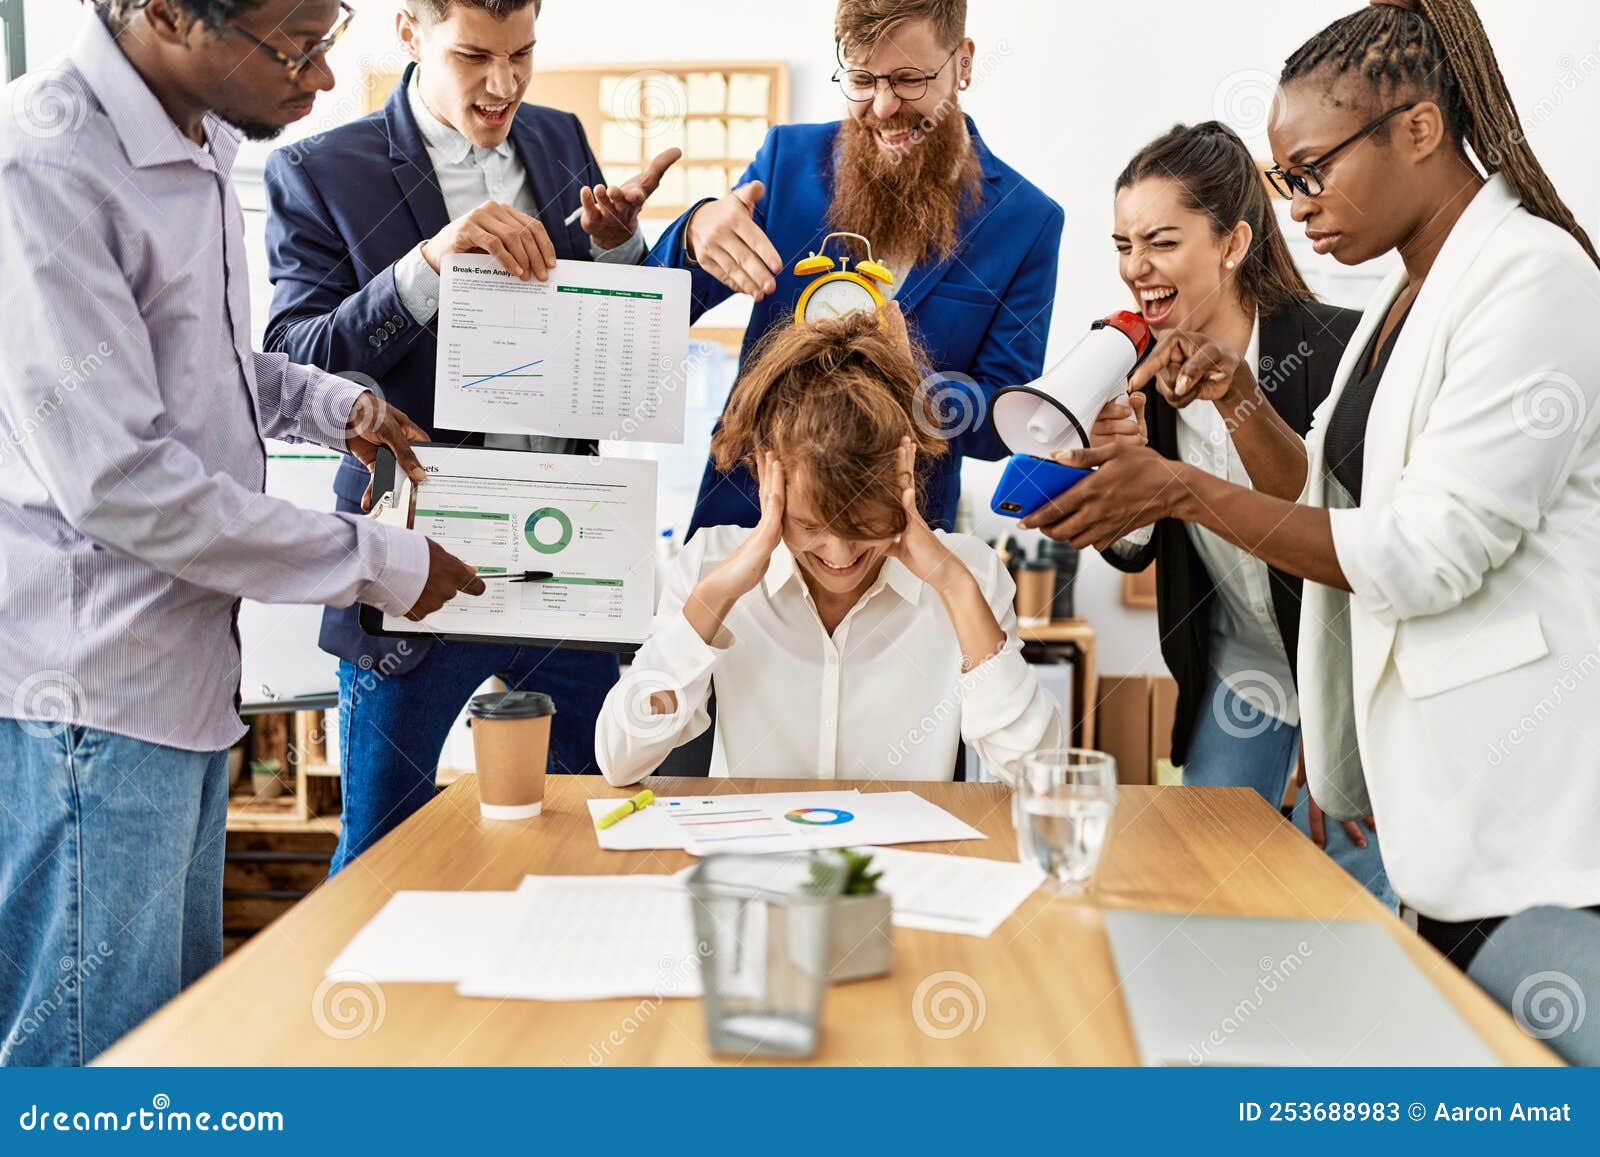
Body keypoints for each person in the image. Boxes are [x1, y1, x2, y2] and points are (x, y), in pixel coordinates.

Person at [1028, 0, 1600, 969]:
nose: (1294, 205)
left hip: (1521, 809)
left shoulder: (1533, 279)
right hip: (1425, 792)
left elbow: (1421, 555)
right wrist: (1241, 402)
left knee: (1534, 1081)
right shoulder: (1403, 296)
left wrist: (1180, 489)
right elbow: (1326, 508)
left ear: (1419, 128)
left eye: (1309, 173)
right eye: (1282, 181)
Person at [0, 0, 481, 1066]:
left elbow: (195, 366)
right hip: (92, 693)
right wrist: (378, 563)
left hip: (182, 685)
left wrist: (327, 402)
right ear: (167, 14)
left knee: (163, 1041)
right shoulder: (42, 167)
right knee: (86, 1060)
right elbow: (122, 479)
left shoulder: (200, 132)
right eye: (296, 47)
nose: (319, 81)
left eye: (329, 35)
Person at [263, 0, 678, 874]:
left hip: (571, 555)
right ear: (409, 34)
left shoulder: (561, 141)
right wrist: (425, 266)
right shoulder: (318, 168)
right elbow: (296, 359)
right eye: (474, 56)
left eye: (523, 53)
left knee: (597, 831)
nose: (504, 84)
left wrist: (620, 250)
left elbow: (596, 332)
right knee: (383, 849)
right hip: (417, 558)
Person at [1091, 121, 1393, 907]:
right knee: (1202, 894)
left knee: (1350, 897)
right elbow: (1133, 549)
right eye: (1123, 245)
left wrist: (1335, 733)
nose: (1136, 269)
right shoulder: (1130, 365)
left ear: (1231, 244)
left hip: (1349, 670)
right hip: (1237, 672)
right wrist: (1116, 464)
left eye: (1160, 242)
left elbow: (1364, 552)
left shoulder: (1338, 351)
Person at [647, 0, 1062, 537]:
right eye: (863, 80)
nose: (884, 108)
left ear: (963, 63)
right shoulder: (786, 160)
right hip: (749, 526)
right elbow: (662, 307)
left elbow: (1003, 424)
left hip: (898, 541)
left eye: (909, 79)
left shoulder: (1027, 221)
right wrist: (694, 230)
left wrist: (908, 374)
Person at [596, 308, 1062, 785]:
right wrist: (711, 600)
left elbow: (1039, 777)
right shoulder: (710, 564)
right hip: (755, 855)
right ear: (763, 472)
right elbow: (619, 759)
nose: (839, 556)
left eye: (863, 524)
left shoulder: (969, 574)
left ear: (906, 468)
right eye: (810, 525)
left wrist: (955, 588)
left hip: (900, 859)